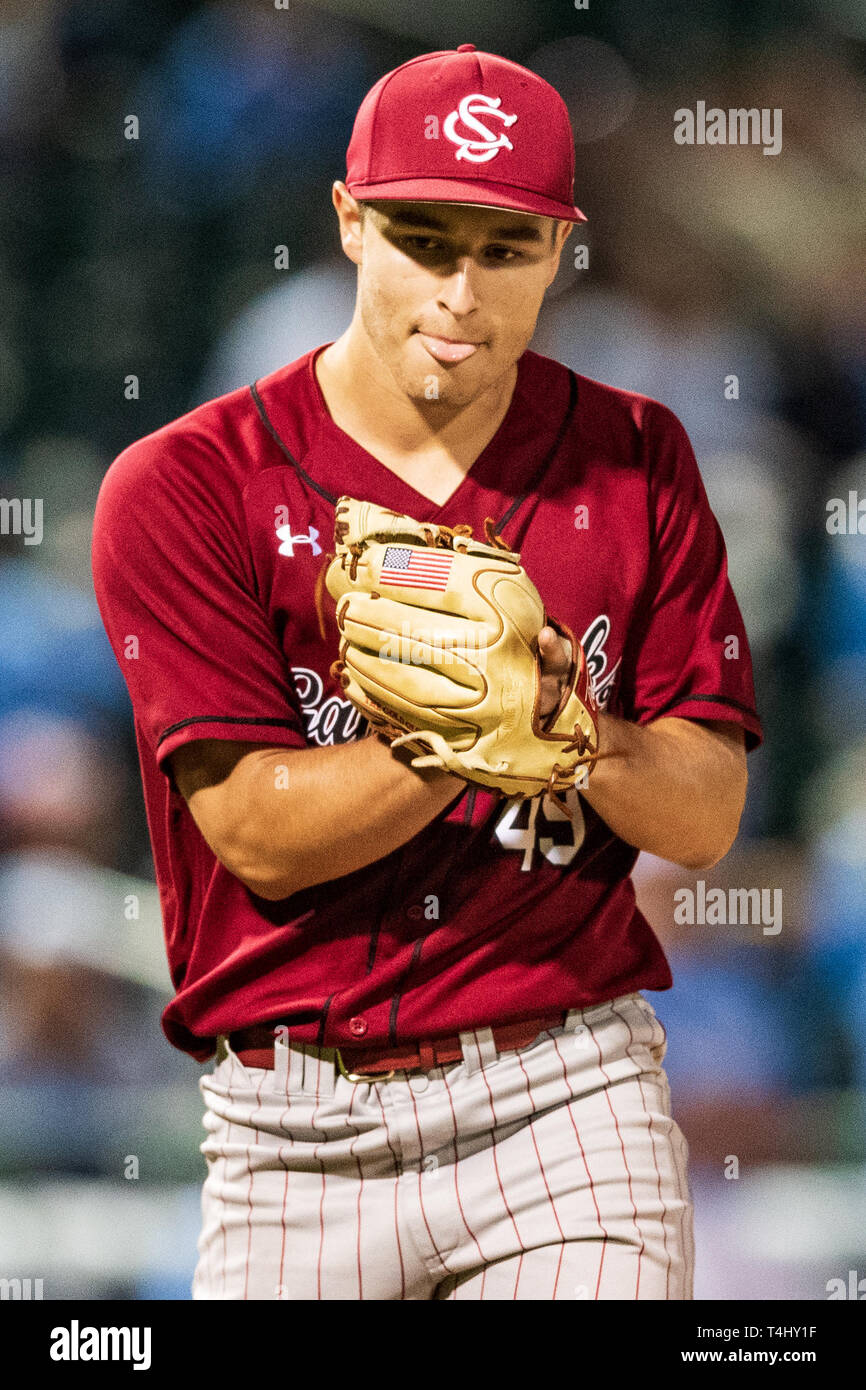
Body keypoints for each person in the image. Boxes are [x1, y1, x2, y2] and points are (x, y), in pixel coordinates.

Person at [91, 44, 762, 1300]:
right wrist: (452, 732)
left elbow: (706, 812)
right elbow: (258, 834)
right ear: (348, 224)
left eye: (503, 250)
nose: (458, 292)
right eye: (422, 238)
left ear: (560, 251)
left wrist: (565, 729)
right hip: (289, 1129)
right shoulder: (187, 483)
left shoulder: (635, 456)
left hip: (564, 1094)